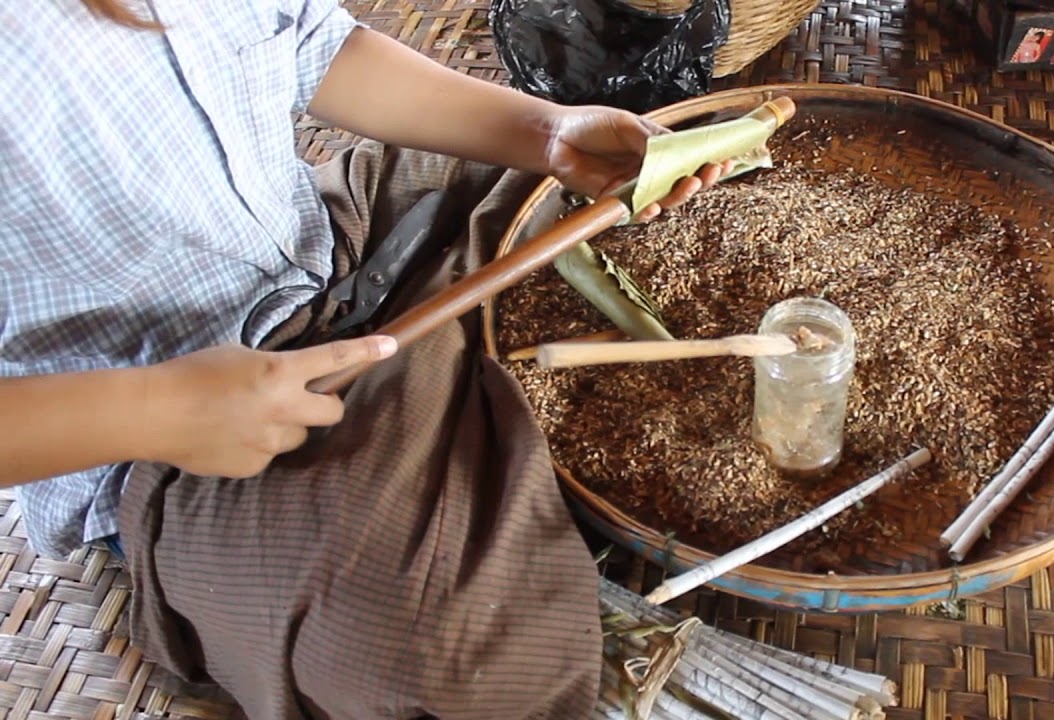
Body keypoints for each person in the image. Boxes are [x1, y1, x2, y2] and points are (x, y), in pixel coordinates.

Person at [0, 1, 728, 718]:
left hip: (340, 239)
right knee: (459, 659)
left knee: (623, 199)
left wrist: (545, 134)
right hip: (186, 427)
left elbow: (314, 43)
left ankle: (445, 439)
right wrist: (161, 412)